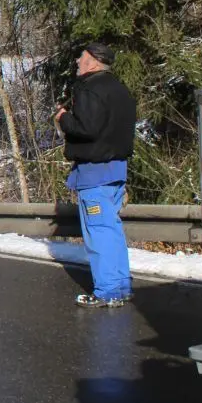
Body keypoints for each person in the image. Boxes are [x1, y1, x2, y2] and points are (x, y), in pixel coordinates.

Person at [55, 42, 136, 308]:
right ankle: (122, 285)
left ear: (92, 62)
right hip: (116, 169)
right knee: (112, 229)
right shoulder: (120, 89)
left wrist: (64, 118)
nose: (78, 60)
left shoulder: (89, 88)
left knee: (98, 232)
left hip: (95, 171)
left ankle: (108, 291)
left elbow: (87, 128)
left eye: (82, 57)